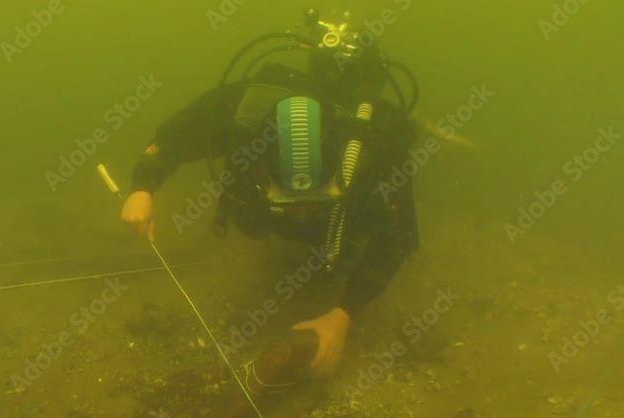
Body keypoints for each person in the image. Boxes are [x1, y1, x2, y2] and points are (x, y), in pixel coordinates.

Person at [121, 9, 420, 379]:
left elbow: (399, 235)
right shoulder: (250, 113)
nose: (296, 207)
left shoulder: (377, 144)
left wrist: (343, 316)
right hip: (272, 208)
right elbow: (175, 138)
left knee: (364, 219)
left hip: (338, 222)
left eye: (315, 192)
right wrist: (142, 188)